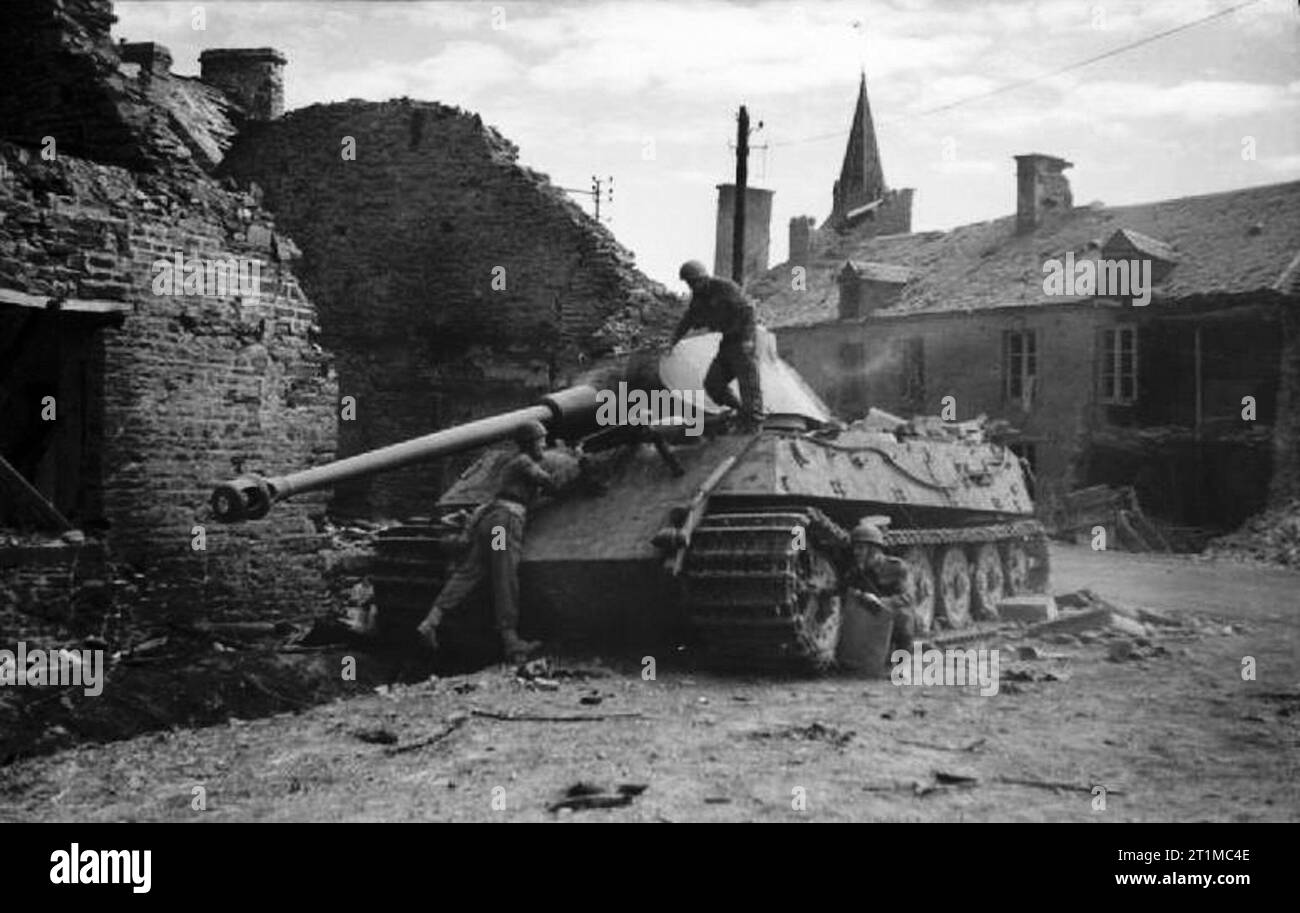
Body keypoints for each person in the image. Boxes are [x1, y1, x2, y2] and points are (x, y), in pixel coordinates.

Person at [416, 420, 555, 662]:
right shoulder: (524, 462)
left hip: (488, 521)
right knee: (504, 575)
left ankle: (431, 621)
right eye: (541, 440)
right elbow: (548, 483)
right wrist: (579, 470)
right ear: (529, 443)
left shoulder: (511, 463)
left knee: (468, 572)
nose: (544, 444)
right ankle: (511, 642)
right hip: (504, 523)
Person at [666, 260, 764, 429]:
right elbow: (688, 320)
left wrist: (748, 339)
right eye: (689, 283)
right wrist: (672, 342)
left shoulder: (724, 288)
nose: (692, 286)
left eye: (694, 281)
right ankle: (739, 411)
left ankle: (753, 423)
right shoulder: (698, 298)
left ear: (703, 278)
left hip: (743, 338)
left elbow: (748, 310)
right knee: (713, 383)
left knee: (748, 382)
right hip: (727, 341)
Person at [843, 520, 915, 654]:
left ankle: (902, 659)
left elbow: (907, 598)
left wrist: (880, 602)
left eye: (861, 548)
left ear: (873, 550)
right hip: (872, 618)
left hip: (894, 615)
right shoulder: (858, 572)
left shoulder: (897, 567)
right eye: (855, 548)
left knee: (904, 616)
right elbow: (842, 590)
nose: (856, 553)